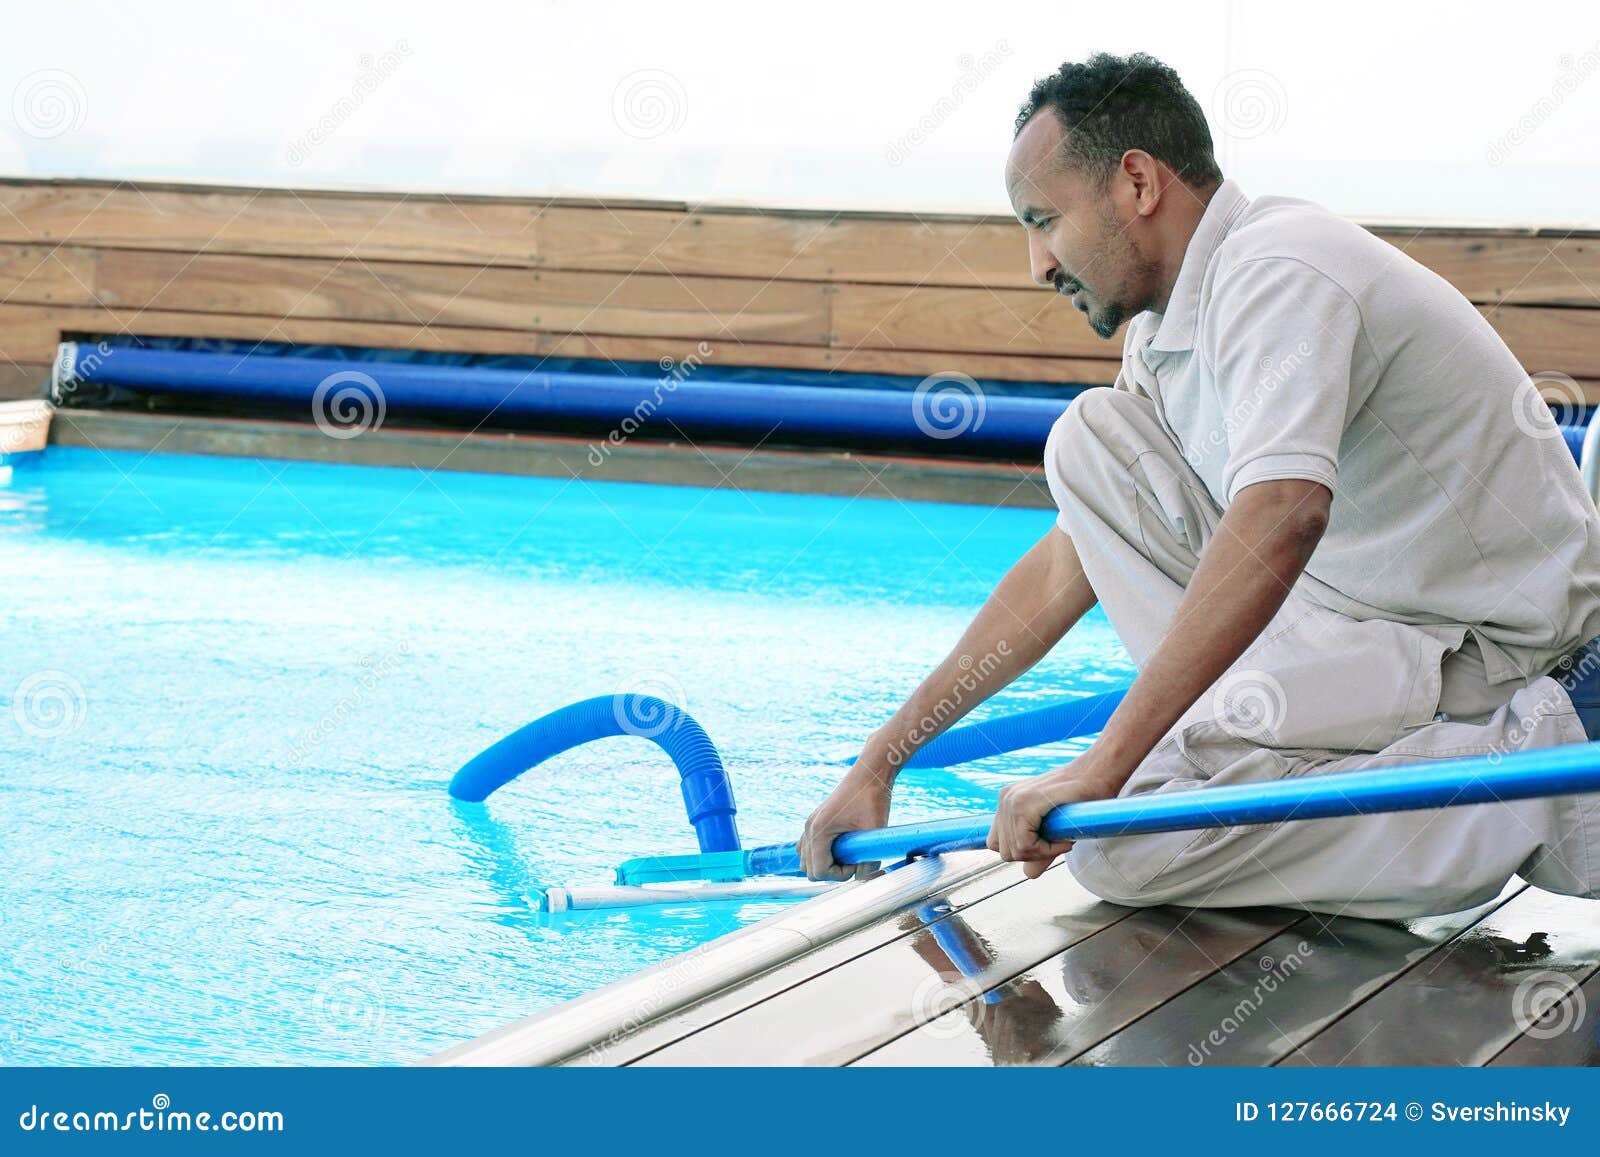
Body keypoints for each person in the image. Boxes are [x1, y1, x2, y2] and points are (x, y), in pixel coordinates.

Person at [799, 52, 1600, 919]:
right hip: (1374, 641)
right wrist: (881, 760)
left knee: (1126, 852)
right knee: (1089, 444)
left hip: (1498, 661)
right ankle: (1247, 749)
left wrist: (1104, 766)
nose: (1037, 264)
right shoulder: (1169, 328)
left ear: (1137, 182)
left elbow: (1284, 514)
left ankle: (1532, 793)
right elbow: (1068, 565)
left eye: (1044, 220)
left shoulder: (1280, 269)